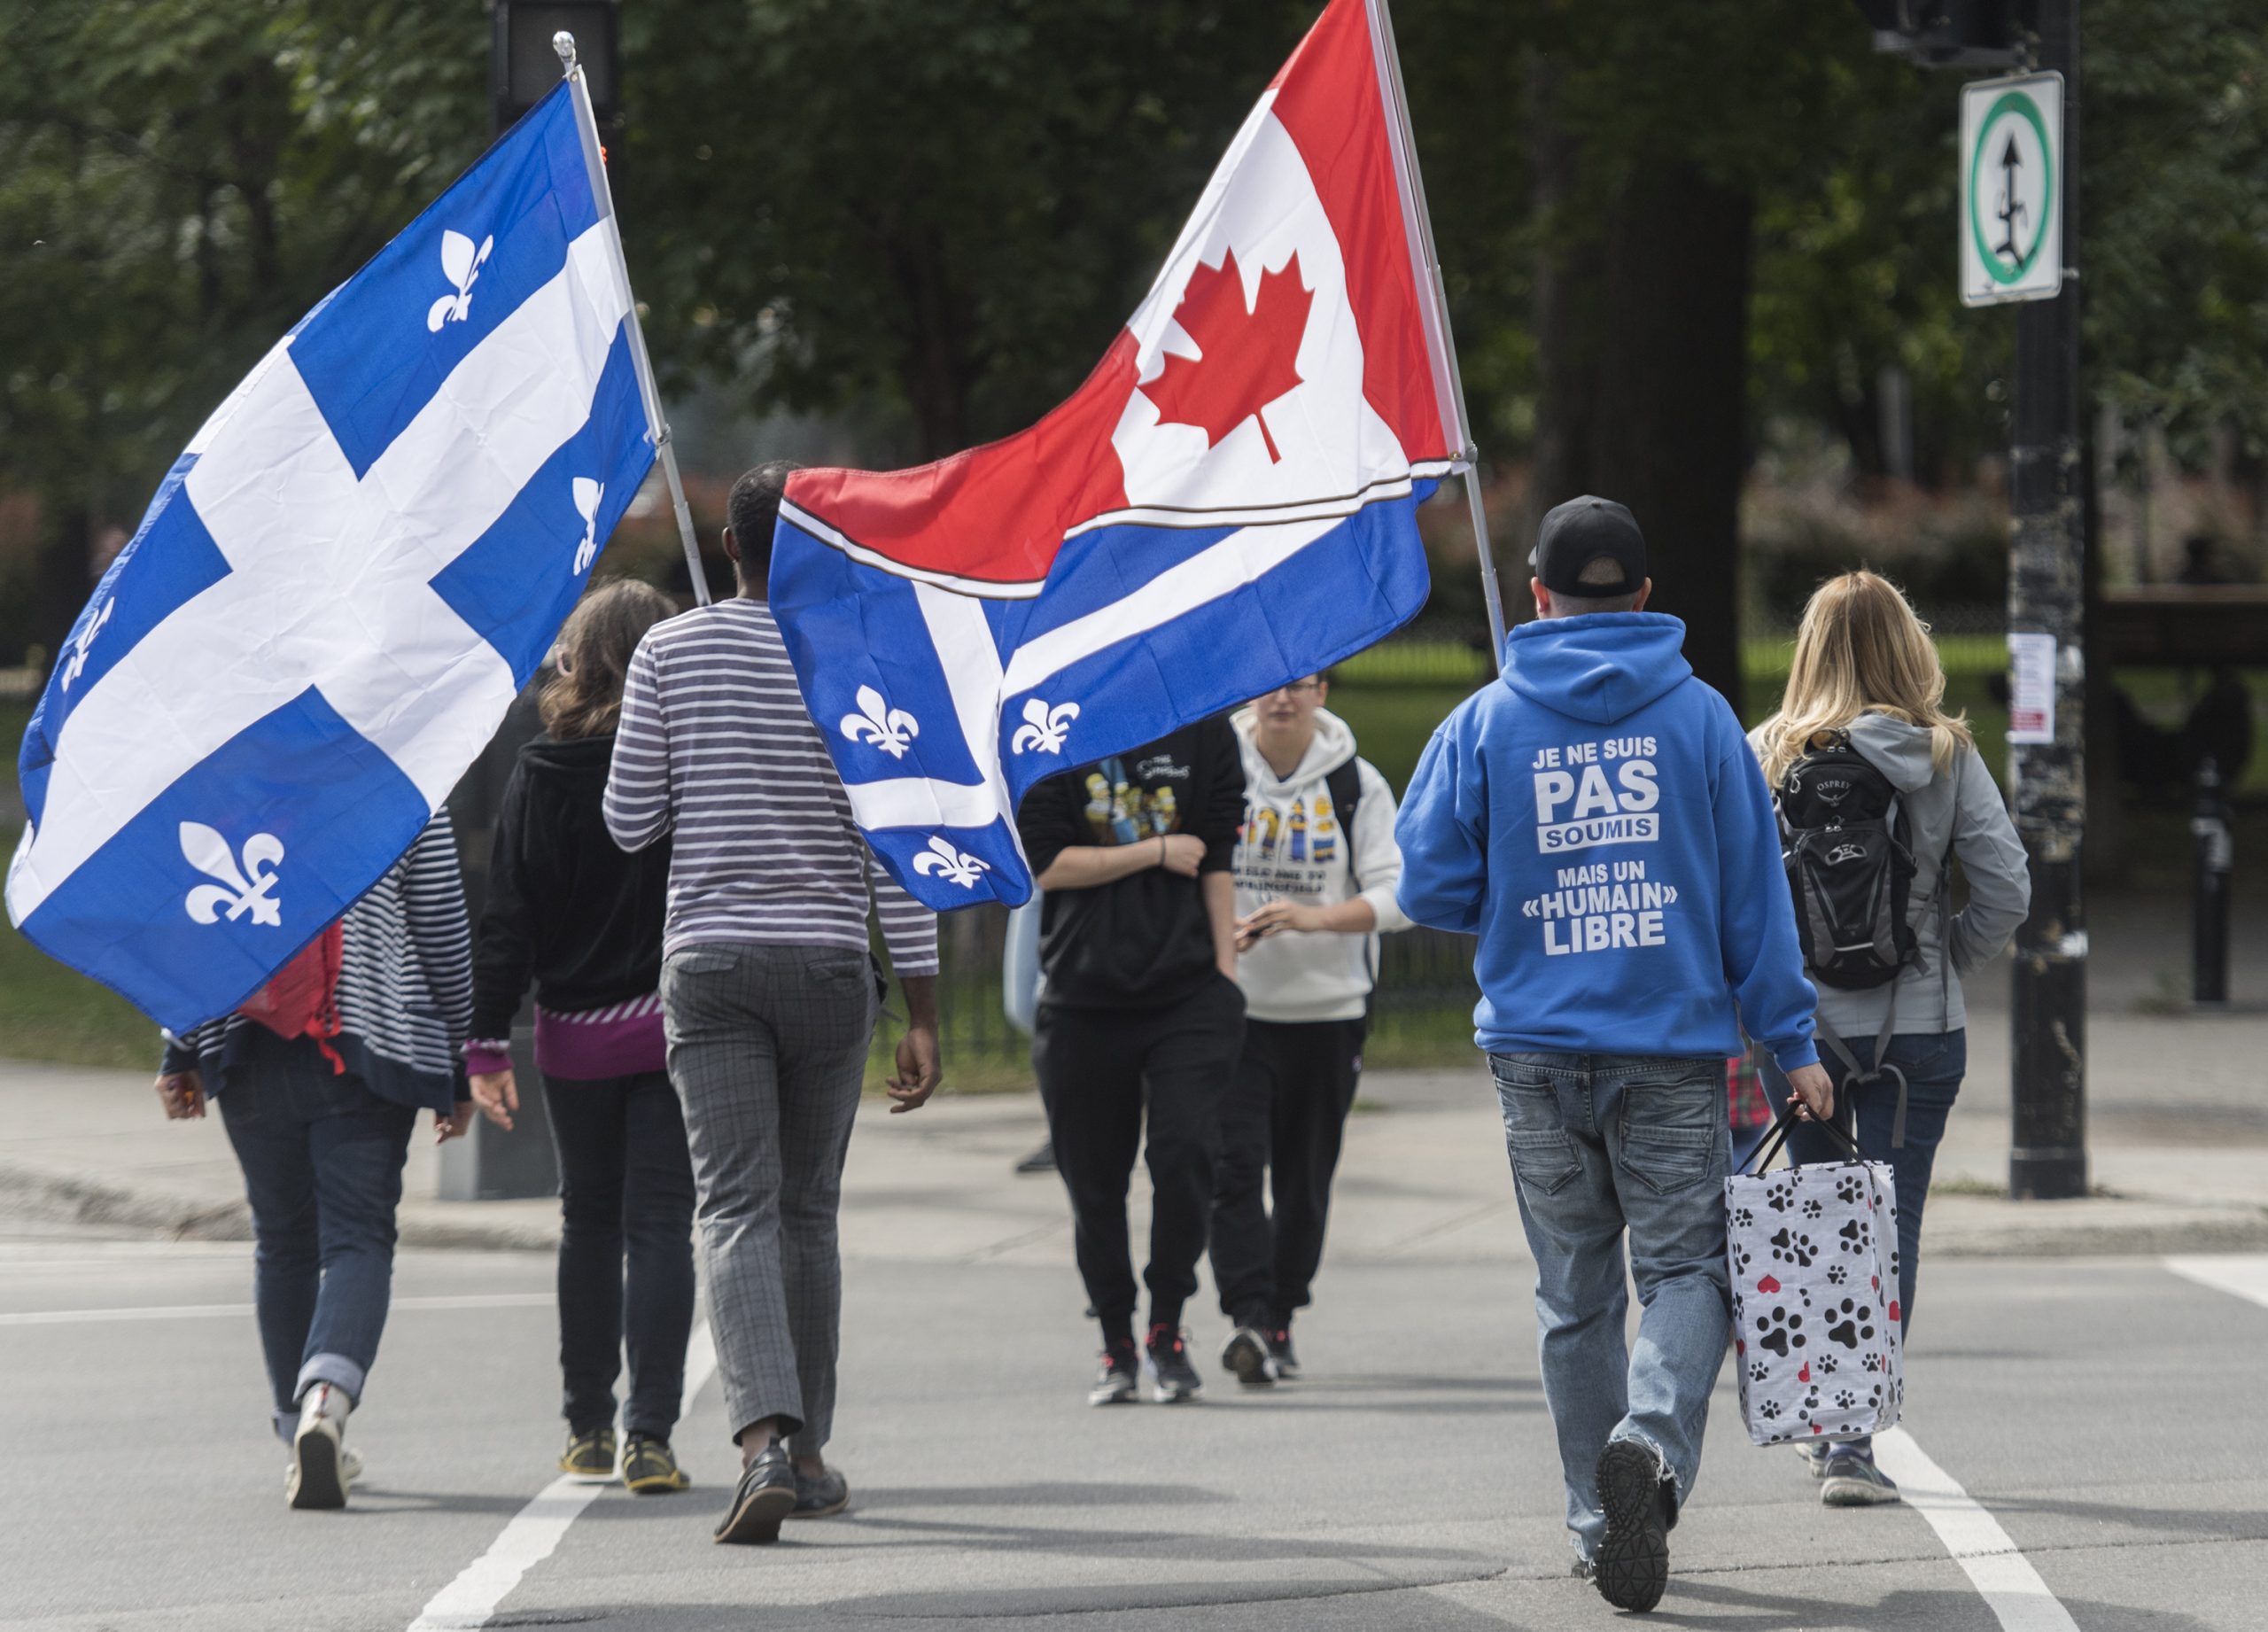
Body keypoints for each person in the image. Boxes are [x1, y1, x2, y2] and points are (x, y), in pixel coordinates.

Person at [1394, 495, 1834, 1613]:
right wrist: (1790, 1042)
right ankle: (1648, 1447)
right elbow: (1756, 906)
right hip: (1673, 1052)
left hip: (1535, 1053)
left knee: (1572, 1296)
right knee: (1691, 1272)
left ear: (1536, 595)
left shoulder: (1485, 724)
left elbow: (1428, 886)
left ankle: (1598, 1527)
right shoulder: (1699, 724)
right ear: (1644, 596)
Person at [605, 461, 944, 1546]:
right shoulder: (860, 656)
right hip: (831, 967)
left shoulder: (670, 647)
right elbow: (901, 845)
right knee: (808, 1213)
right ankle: (808, 1452)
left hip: (711, 964)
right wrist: (924, 1006)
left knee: (734, 1205)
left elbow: (626, 821)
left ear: (734, 544)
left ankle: (759, 1447)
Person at [1748, 571, 2029, 1508]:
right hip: (1919, 1031)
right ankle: (1852, 1440)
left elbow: (1732, 903)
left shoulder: (1767, 755)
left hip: (1804, 1035)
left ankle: (1831, 1438)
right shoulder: (1943, 754)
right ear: (1909, 646)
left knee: (1823, 1217)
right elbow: (2006, 888)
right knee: (1891, 1223)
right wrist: (1943, 958)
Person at [152, 812, 476, 1510]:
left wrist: (179, 1046)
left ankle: (296, 1425)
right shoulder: (412, 756)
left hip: (245, 1045)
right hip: (366, 1046)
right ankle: (326, 1403)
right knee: (358, 1238)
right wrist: (460, 1059)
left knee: (282, 1241)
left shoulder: (237, 763)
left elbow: (190, 919)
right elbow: (442, 928)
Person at [464, 579, 695, 1496]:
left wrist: (486, 1041)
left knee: (588, 1223)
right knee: (662, 1225)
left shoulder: (541, 769)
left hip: (573, 1036)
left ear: (578, 661)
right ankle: (652, 1436)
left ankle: (587, 1428)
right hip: (677, 1025)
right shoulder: (687, 761)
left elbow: (508, 914)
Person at [1017, 715, 1246, 1406]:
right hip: (1083, 997)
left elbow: (1217, 863)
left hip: (1188, 993)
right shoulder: (1053, 727)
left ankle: (1167, 1328)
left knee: (1184, 1156)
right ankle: (1116, 1338)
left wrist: (1227, 978)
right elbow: (1044, 861)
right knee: (1094, 1182)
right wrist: (1153, 850)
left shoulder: (1205, 730)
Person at [1210, 674, 1410, 1386]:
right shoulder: (1220, 766)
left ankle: (1280, 1314)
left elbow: (1399, 895)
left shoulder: (1356, 783)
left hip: (1328, 1012)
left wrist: (1312, 918)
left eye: (1299, 687)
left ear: (1321, 694)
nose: (1282, 700)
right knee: (1229, 1168)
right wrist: (1215, 933)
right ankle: (1248, 1316)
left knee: (1304, 1179)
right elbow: (1190, 864)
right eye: (1269, 687)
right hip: (1234, 1008)